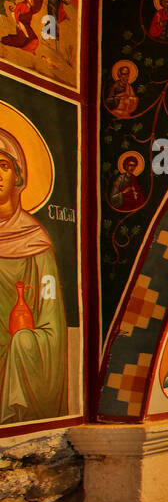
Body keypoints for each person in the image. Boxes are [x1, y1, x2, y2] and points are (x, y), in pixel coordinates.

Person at [0, 126, 67, 423]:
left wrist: (26, 338)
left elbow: (51, 315)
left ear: (19, 176)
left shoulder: (35, 240)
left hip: (17, 342)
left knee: (23, 341)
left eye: (3, 165)